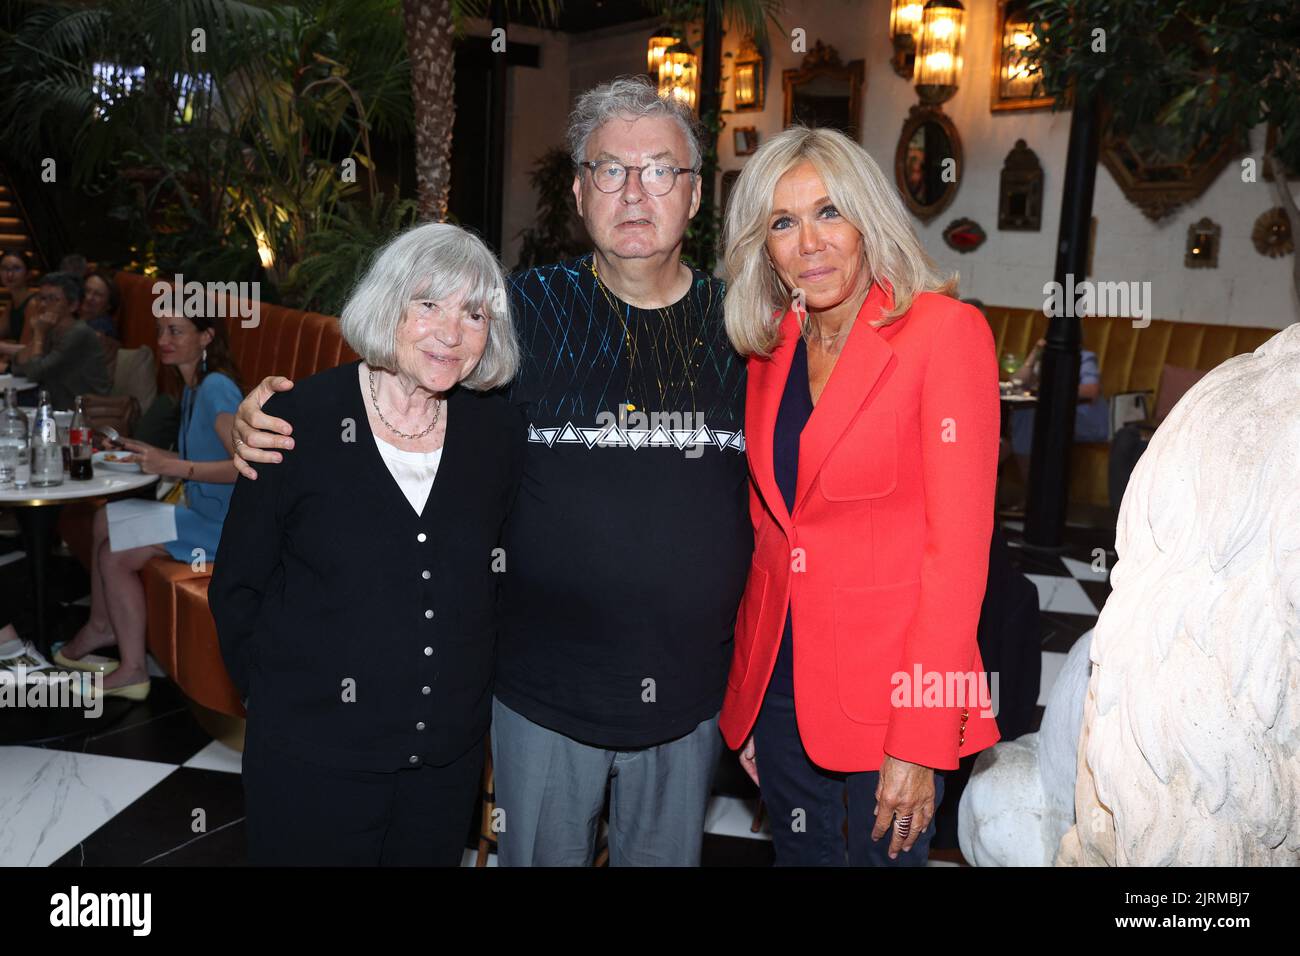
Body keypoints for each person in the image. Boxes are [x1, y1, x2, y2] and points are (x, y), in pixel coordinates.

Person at [228, 76, 749, 867]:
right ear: (579, 190)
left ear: (696, 192)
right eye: (611, 170)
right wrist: (268, 409)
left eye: (661, 171)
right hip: (538, 694)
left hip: (687, 695)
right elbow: (418, 345)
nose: (636, 192)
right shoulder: (522, 312)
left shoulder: (744, 328)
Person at [718, 125, 1002, 865]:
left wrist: (921, 739)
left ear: (868, 219)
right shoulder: (769, 348)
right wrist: (749, 704)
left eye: (829, 213)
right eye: (783, 222)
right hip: (779, 695)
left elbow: (958, 563)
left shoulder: (945, 334)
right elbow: (771, 535)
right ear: (765, 247)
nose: (809, 242)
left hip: (892, 704)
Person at [210, 223, 525, 866]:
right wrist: (281, 706)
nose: (451, 331)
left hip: (442, 767)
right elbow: (238, 585)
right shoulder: (297, 422)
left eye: (474, 313)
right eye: (428, 303)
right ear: (388, 307)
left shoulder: (496, 432)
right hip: (311, 759)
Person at [52, 299, 243, 698]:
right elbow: (197, 458)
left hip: (224, 529)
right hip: (203, 514)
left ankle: (133, 669)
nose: (163, 340)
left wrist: (174, 468)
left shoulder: (216, 388)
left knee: (114, 555)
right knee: (106, 519)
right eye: (160, 330)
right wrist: (147, 454)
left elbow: (245, 466)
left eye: (175, 331)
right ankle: (102, 626)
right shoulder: (193, 388)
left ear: (206, 336)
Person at [0, 272, 110, 408]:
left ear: (73, 305)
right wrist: (37, 335)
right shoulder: (51, 329)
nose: (43, 305)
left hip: (83, 412)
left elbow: (35, 373)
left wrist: (39, 334)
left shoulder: (79, 333)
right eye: (42, 298)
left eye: (52, 299)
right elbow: (19, 367)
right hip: (55, 404)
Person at [1007, 336, 1109, 461]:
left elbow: (1091, 390)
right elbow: (1018, 382)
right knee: (1021, 414)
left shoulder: (1084, 357)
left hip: (1086, 421)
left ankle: (1033, 479)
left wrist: (1051, 389)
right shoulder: (1045, 358)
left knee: (1029, 417)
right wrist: (1034, 355)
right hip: (1057, 418)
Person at [1, 252, 35, 344]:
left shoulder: (33, 303)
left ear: (28, 274)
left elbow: (25, 348)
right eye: (4, 268)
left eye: (16, 268)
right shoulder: (11, 303)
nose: (10, 274)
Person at [81, 271, 120, 339]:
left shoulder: (101, 327)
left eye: (97, 294)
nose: (89, 298)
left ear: (109, 305)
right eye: (86, 290)